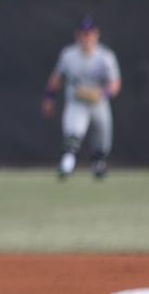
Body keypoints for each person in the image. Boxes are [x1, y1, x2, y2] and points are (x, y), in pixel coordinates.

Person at [42, 15, 122, 180]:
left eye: (90, 33)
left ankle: (98, 164)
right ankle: (67, 164)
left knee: (102, 136)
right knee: (73, 131)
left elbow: (115, 84)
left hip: (98, 102)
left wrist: (101, 94)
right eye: (83, 34)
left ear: (96, 35)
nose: (87, 37)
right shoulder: (69, 55)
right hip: (77, 102)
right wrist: (49, 98)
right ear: (77, 35)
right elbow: (56, 78)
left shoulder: (105, 56)